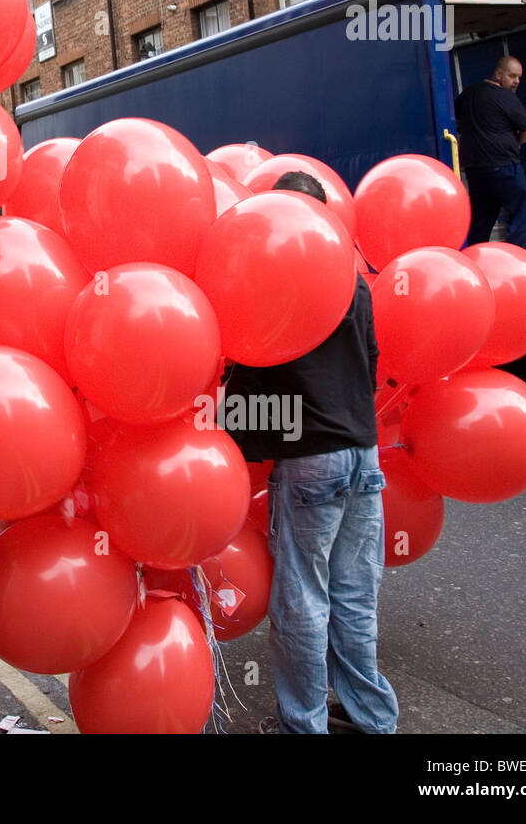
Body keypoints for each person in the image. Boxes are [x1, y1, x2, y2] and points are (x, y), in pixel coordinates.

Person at [225, 172, 397, 735]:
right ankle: (372, 716)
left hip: (311, 457)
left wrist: (237, 430)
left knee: (303, 598)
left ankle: (304, 724)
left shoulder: (273, 273)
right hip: (362, 451)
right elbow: (369, 361)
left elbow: (252, 366)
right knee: (353, 594)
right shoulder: (354, 277)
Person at [456, 56, 526, 250]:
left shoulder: (466, 96)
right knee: (521, 215)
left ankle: (475, 261)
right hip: (505, 166)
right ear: (498, 74)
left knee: (481, 218)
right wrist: (515, 144)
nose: (516, 81)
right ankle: (521, 262)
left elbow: (457, 124)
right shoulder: (506, 97)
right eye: (512, 76)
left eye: (519, 78)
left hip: (476, 169)